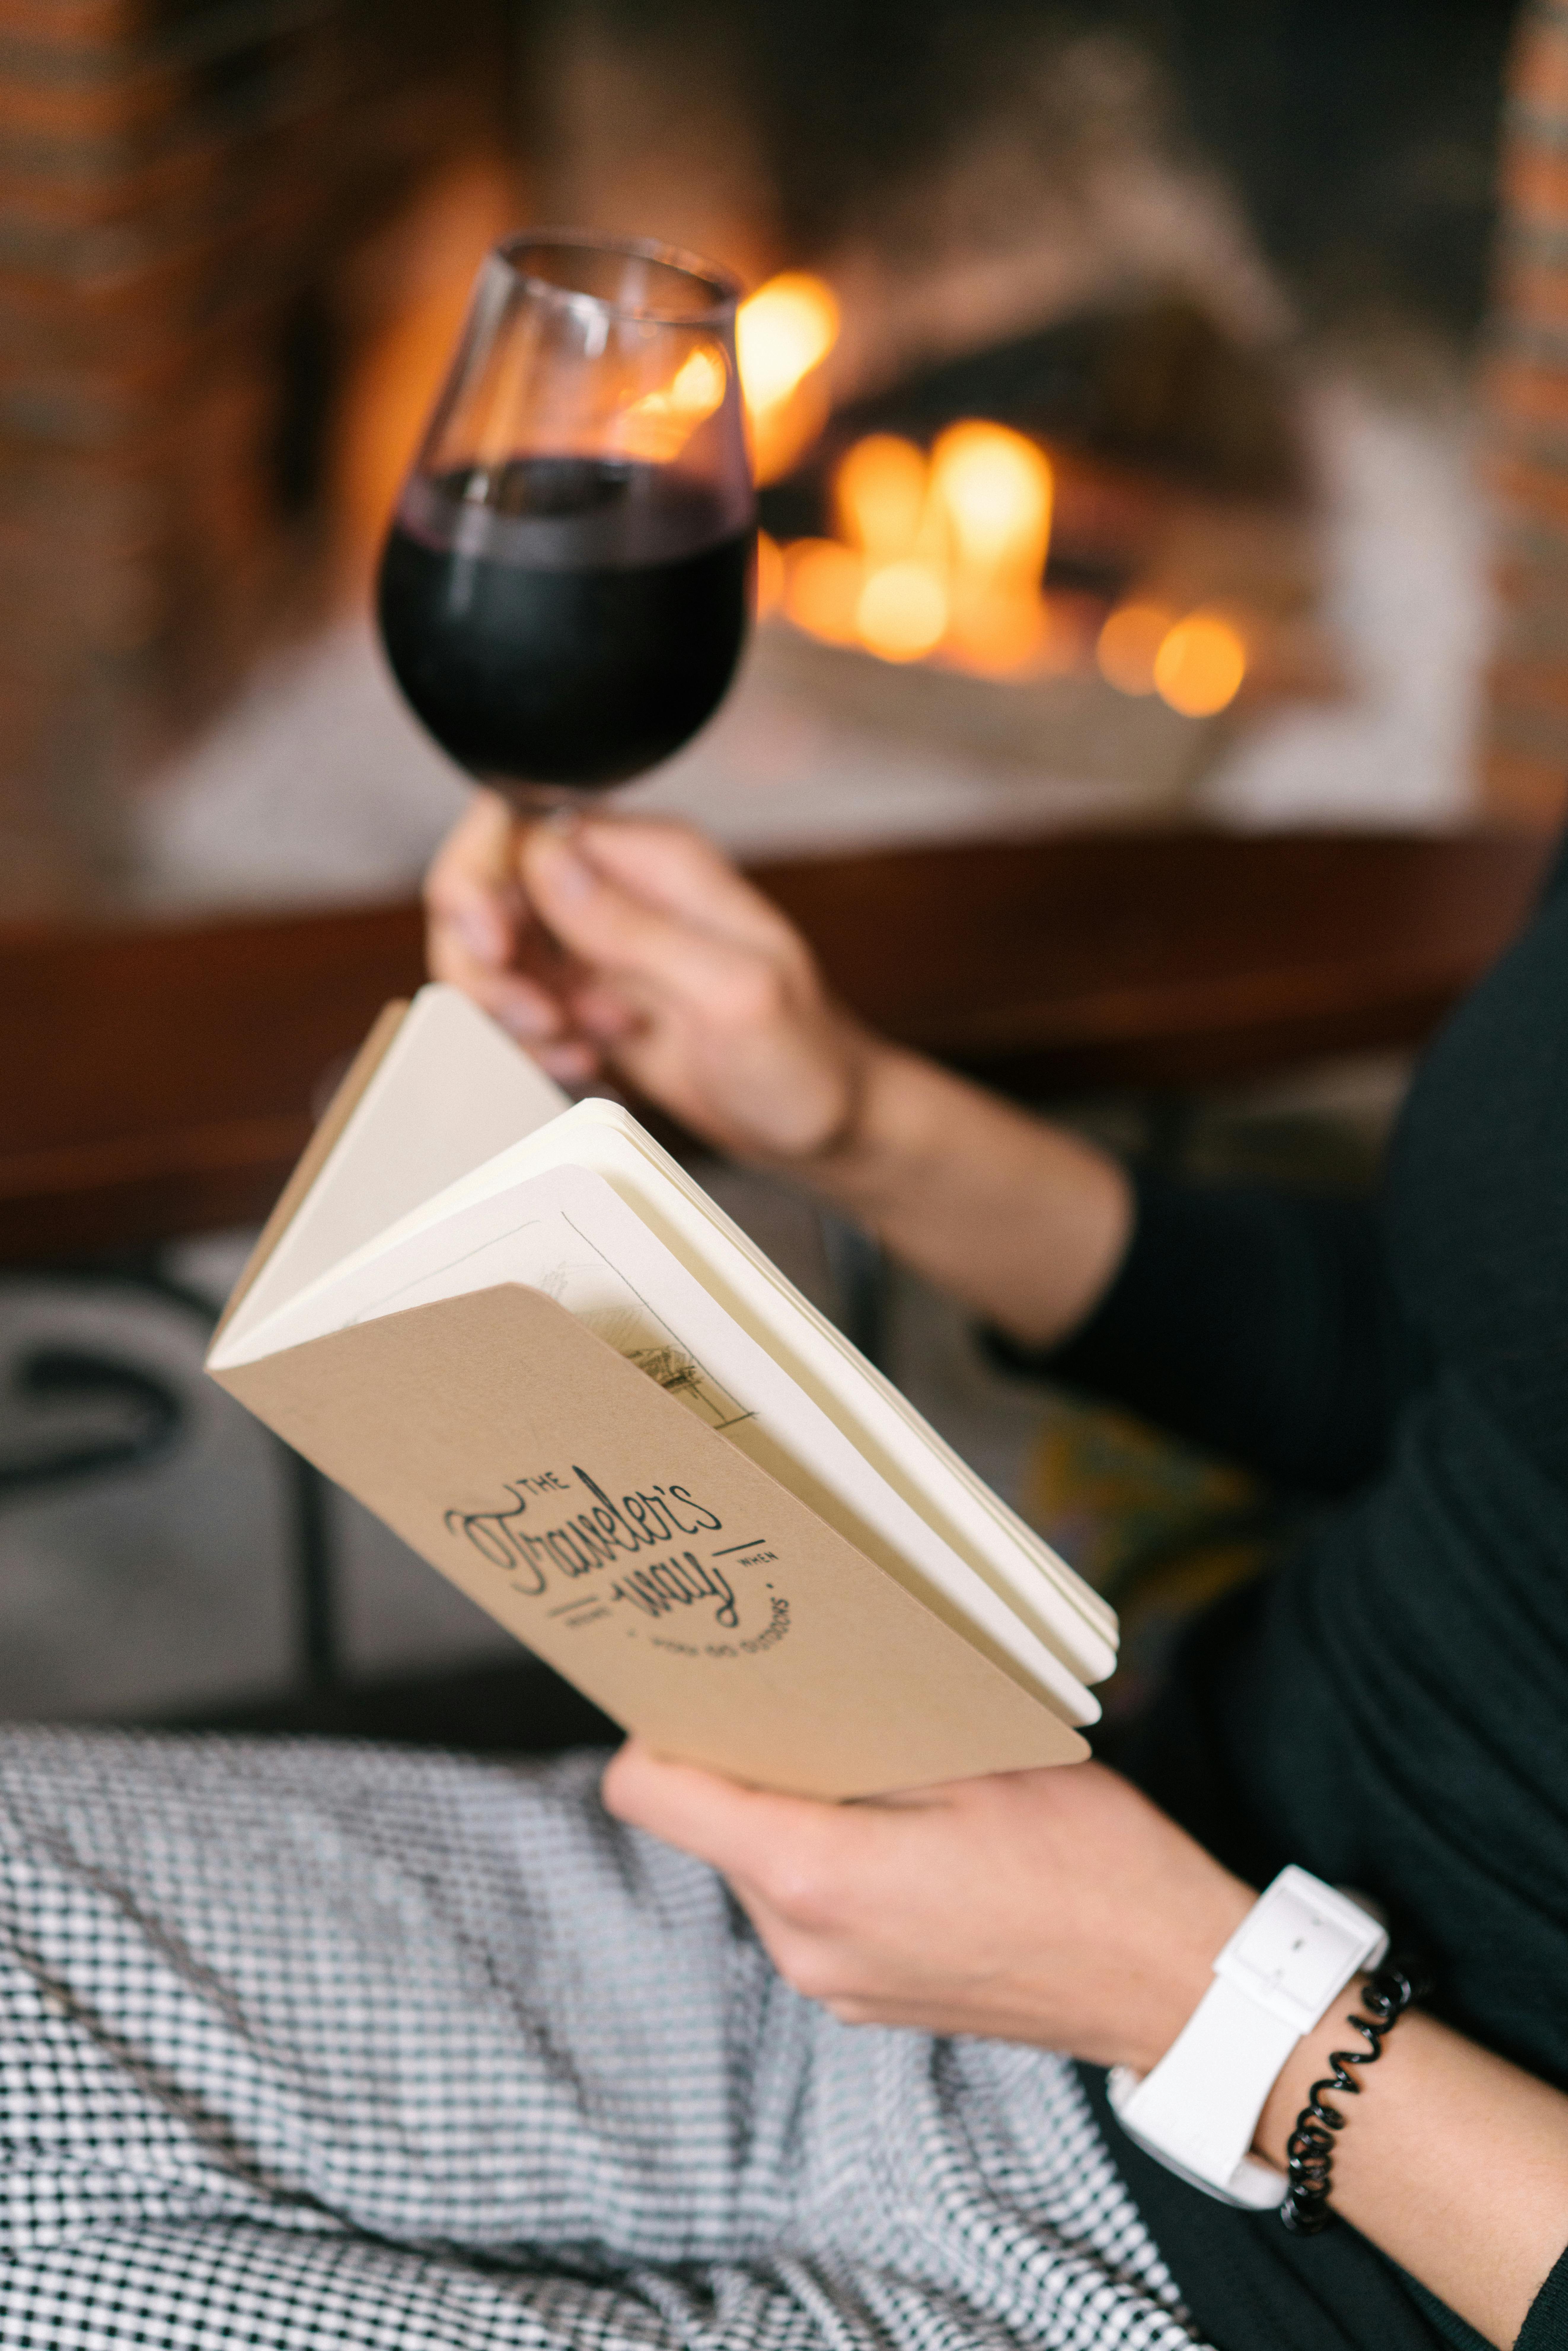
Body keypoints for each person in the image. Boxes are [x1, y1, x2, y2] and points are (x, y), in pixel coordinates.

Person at [3, 804, 1566, 2351]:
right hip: (992, 1876)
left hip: (1274, 2255)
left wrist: (1190, 1994)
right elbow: (1475, 1365)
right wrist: (849, 1115)